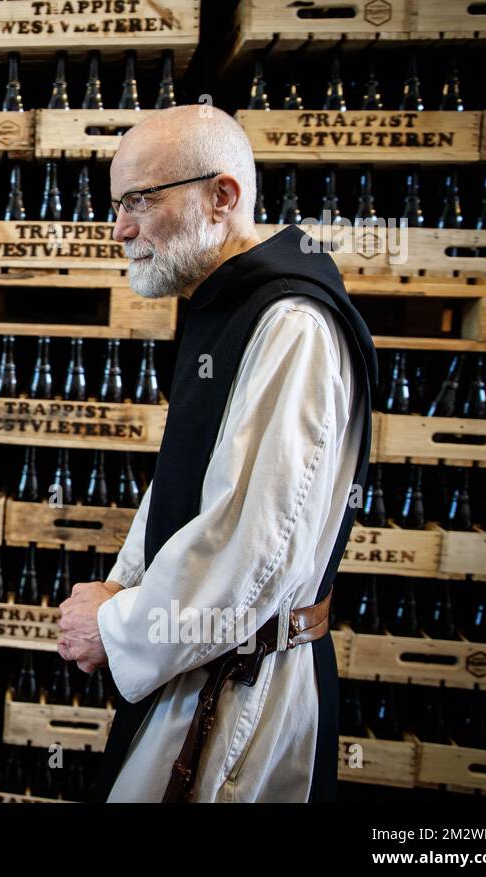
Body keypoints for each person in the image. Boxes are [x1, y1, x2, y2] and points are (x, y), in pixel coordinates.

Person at [56, 105, 377, 802]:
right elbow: (188, 480)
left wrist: (116, 625)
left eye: (141, 200)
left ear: (222, 197)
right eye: (118, 204)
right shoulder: (226, 308)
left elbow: (252, 549)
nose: (121, 229)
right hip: (196, 659)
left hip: (242, 691)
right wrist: (119, 589)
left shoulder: (291, 324)